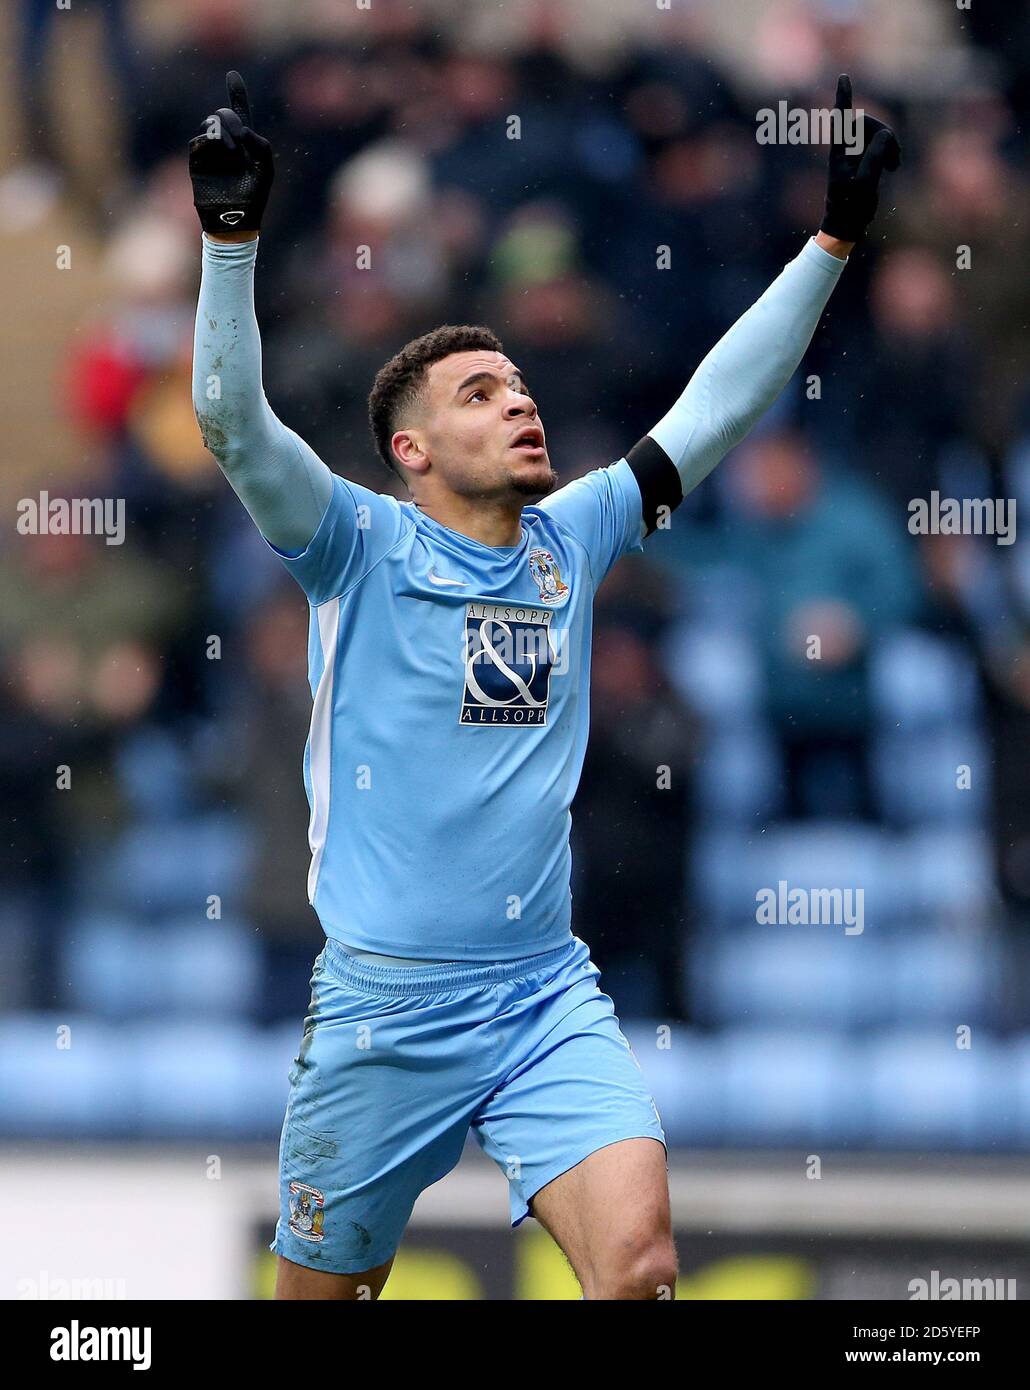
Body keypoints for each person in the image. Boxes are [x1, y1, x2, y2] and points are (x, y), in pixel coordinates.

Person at [188, 71, 898, 1299]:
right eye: (479, 393)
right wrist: (230, 246)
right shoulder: (355, 545)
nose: (517, 401)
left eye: (517, 384)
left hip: (539, 998)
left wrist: (829, 241)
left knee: (638, 1271)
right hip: (379, 1013)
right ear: (409, 451)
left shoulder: (573, 540)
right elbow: (233, 424)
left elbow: (718, 405)